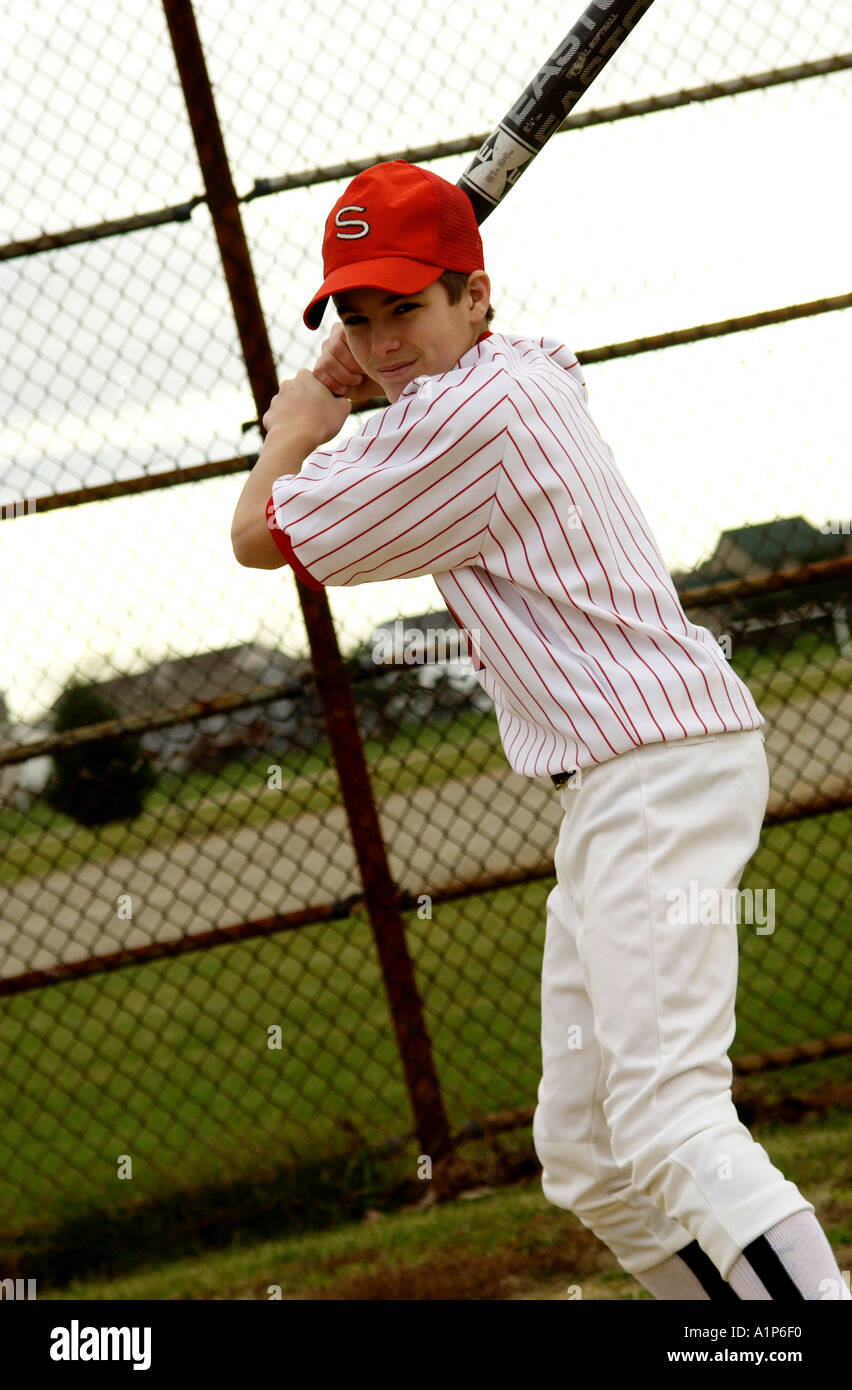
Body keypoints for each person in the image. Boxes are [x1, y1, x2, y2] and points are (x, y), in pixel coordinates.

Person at [230, 160, 849, 1301]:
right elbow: (393, 421)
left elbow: (262, 533)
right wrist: (358, 388)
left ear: (478, 295)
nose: (383, 341)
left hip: (653, 771)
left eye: (408, 307)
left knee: (667, 1118)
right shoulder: (504, 374)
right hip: (625, 778)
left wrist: (301, 420)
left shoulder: (472, 416)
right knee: (590, 1154)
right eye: (358, 319)